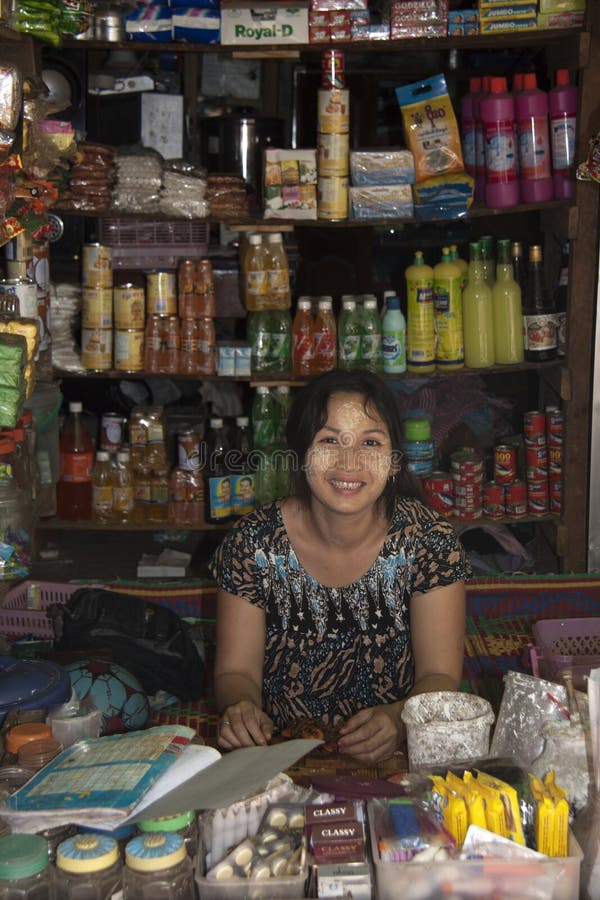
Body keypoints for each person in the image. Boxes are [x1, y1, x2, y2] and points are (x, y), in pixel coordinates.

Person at [209, 370, 470, 764]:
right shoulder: (254, 543)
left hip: (391, 758)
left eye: (370, 442)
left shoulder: (428, 541)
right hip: (279, 758)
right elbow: (235, 674)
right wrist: (242, 708)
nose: (349, 462)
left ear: (394, 461)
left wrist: (399, 717)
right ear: (300, 454)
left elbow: (440, 675)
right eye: (329, 440)